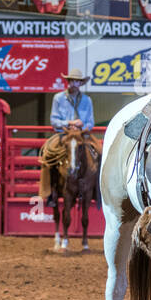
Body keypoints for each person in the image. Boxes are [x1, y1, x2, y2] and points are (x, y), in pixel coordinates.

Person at [38, 69, 96, 207]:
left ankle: (95, 190)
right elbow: (54, 120)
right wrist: (69, 123)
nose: (74, 83)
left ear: (80, 83)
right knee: (48, 154)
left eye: (77, 81)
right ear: (68, 82)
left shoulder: (87, 100)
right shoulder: (58, 98)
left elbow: (91, 122)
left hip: (82, 134)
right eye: (72, 80)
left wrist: (82, 125)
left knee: (98, 153)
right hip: (64, 134)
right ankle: (51, 190)